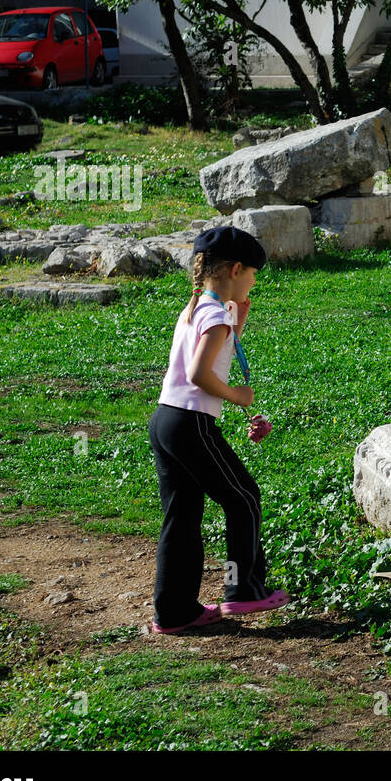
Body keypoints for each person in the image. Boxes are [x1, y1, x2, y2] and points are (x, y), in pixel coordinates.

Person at [146, 226, 290, 634]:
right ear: (237, 269)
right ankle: (241, 589)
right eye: (253, 275)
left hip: (166, 421)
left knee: (182, 516)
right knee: (243, 497)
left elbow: (211, 353)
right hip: (192, 422)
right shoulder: (214, 317)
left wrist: (238, 321)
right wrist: (238, 397)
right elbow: (198, 374)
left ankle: (174, 611)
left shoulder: (198, 307)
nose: (254, 282)